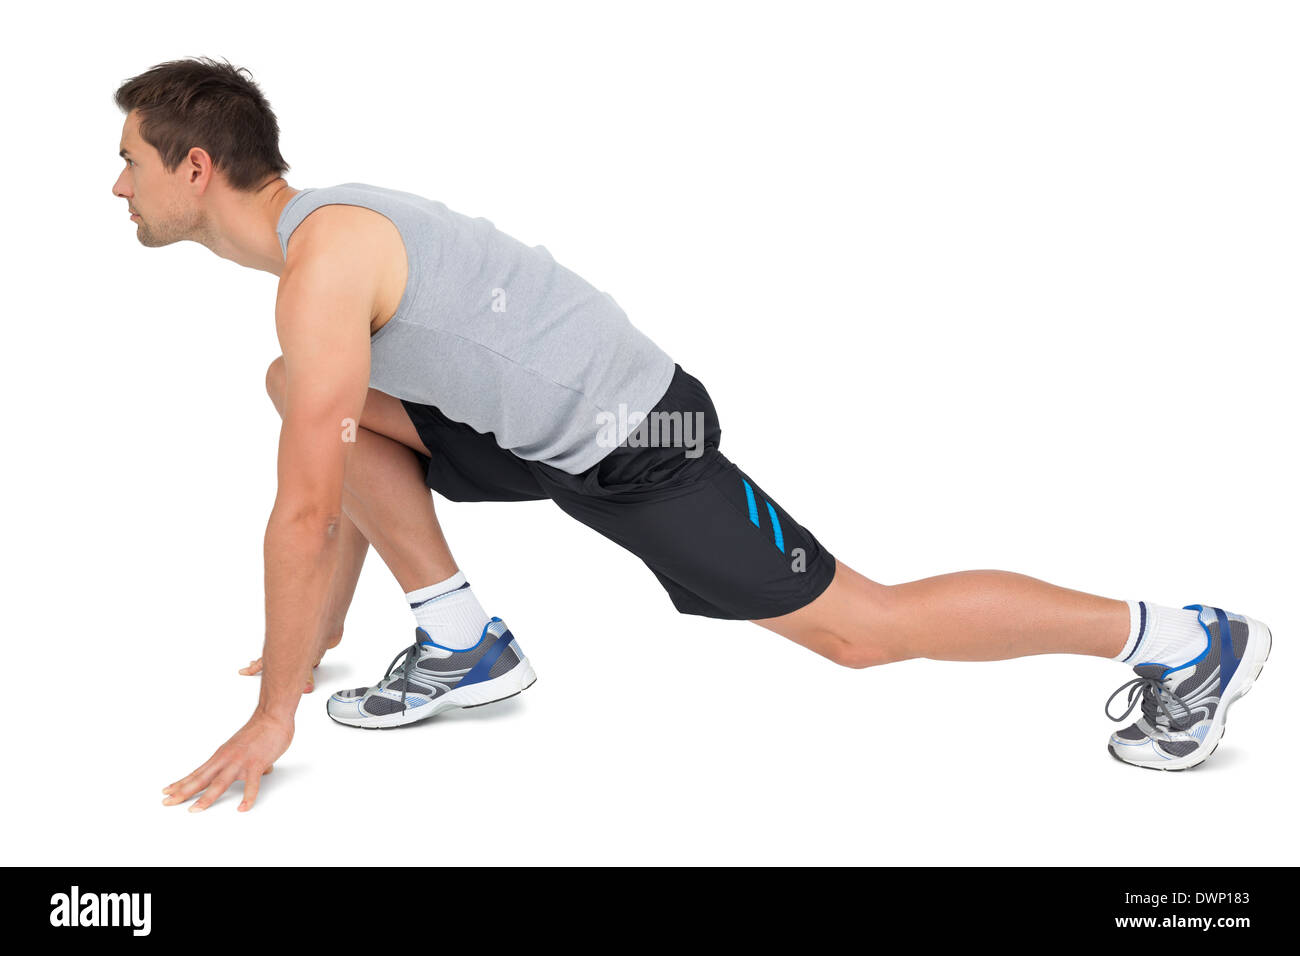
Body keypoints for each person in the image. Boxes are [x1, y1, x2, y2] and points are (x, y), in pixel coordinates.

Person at [112, 58, 1271, 814]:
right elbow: (333, 463)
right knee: (299, 389)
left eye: (129, 159)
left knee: (858, 629)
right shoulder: (320, 256)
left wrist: (276, 712)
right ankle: (462, 640)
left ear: (195, 165)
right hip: (540, 429)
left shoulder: (326, 260)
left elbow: (308, 506)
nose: (118, 186)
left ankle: (1182, 639)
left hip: (640, 433)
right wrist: (310, 643)